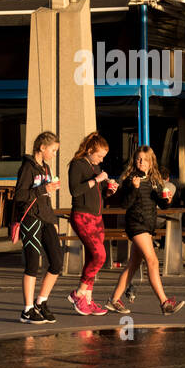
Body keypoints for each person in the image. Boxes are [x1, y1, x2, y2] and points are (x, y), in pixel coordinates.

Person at [106, 145, 185, 315]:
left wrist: (168, 200)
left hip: (148, 225)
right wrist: (134, 188)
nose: (141, 162)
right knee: (153, 261)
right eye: (138, 159)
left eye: (145, 160)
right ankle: (164, 303)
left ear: (151, 162)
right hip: (136, 223)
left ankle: (113, 300)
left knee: (133, 264)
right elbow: (125, 204)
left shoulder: (154, 180)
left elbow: (161, 204)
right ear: (134, 161)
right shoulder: (129, 179)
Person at [13, 131, 65, 324]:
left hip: (46, 218)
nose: (54, 154)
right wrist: (44, 189)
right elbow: (19, 195)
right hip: (31, 219)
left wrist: (53, 218)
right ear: (42, 148)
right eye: (53, 150)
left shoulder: (46, 168)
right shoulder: (27, 167)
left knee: (57, 262)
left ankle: (40, 302)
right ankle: (27, 309)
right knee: (33, 263)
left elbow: (44, 197)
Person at [65, 132, 118, 315]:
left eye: (103, 156)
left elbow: (100, 192)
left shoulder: (95, 167)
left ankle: (87, 299)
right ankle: (79, 293)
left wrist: (109, 190)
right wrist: (96, 180)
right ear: (89, 150)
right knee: (100, 256)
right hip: (83, 215)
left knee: (92, 258)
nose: (101, 159)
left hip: (97, 217)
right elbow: (75, 190)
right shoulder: (77, 164)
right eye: (99, 155)